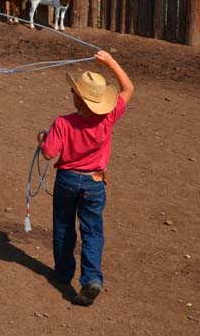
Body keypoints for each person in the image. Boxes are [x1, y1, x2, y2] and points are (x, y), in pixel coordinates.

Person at [36, 50, 135, 307]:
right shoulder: (108, 117)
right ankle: (91, 278)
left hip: (67, 179)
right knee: (92, 231)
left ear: (76, 98)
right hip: (94, 183)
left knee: (64, 226)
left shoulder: (63, 123)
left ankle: (63, 272)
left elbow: (48, 153)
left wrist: (42, 139)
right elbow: (129, 87)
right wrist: (111, 62)